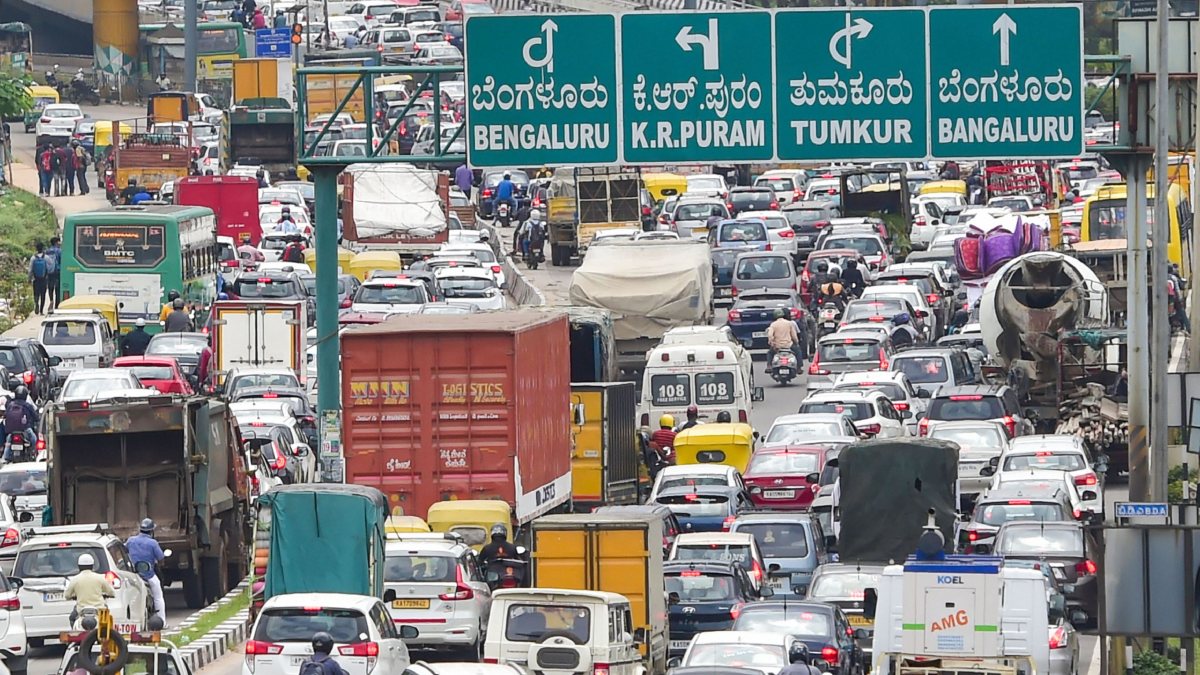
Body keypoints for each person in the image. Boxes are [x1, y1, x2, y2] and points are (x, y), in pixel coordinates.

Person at [125, 518, 166, 624]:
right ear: (152, 531)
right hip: (148, 574)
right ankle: (162, 621)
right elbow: (161, 558)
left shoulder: (131, 540)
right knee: (158, 596)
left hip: (133, 574)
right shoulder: (153, 543)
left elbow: (124, 551)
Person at [64, 553, 115, 628]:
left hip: (81, 610)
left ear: (79, 566)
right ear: (92, 566)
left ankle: (76, 635)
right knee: (108, 618)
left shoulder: (75, 579)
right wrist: (108, 595)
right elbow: (111, 592)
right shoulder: (100, 578)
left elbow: (67, 595)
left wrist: (73, 596)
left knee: (72, 618)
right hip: (99, 609)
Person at [1, 385, 38, 461]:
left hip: (11, 431)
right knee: (34, 439)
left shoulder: (10, 405)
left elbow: (5, 415)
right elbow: (36, 417)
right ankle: (33, 453)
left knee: (8, 441)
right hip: (25, 429)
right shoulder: (27, 405)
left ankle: (5, 457)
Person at [29, 242, 51, 315]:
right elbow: (50, 267)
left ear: (36, 249)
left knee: (36, 294)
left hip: (36, 279)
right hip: (44, 279)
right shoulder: (46, 257)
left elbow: (30, 270)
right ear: (43, 248)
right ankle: (41, 310)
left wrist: (29, 278)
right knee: (43, 295)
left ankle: (36, 304)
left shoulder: (33, 258)